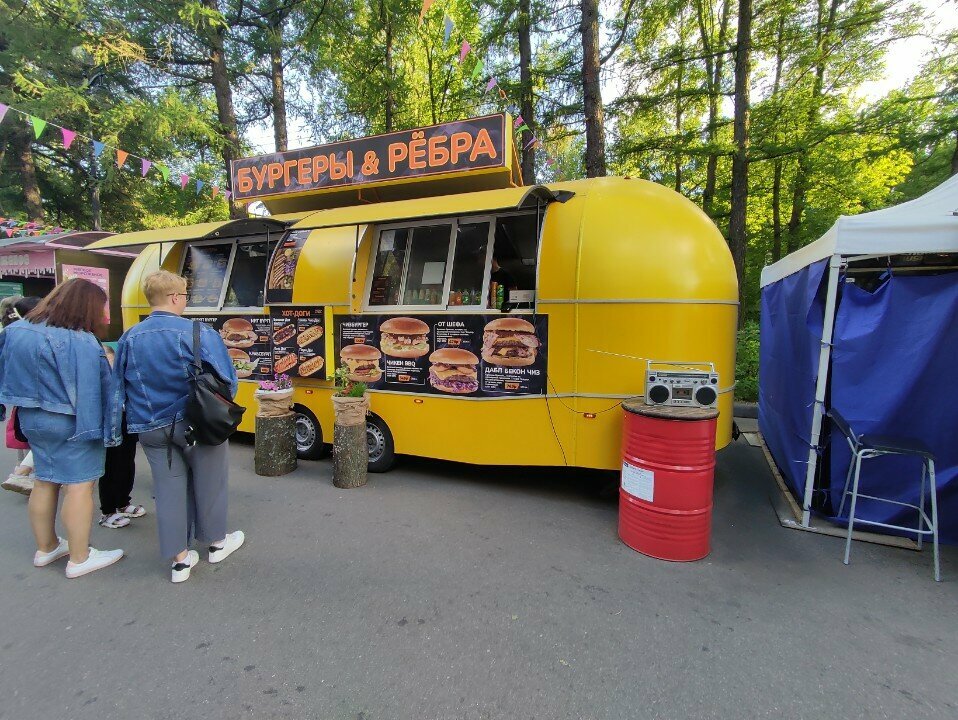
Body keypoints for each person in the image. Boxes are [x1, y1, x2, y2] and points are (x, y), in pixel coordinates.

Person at [108, 270, 244, 583]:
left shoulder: (129, 337)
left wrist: (116, 430)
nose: (185, 302)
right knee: (210, 481)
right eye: (184, 296)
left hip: (150, 427)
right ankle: (216, 543)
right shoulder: (197, 332)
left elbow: (117, 388)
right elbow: (228, 381)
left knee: (167, 489)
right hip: (195, 424)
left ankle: (180, 562)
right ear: (174, 297)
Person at [0, 279, 123, 578]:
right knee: (80, 486)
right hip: (73, 421)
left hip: (30, 418)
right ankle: (80, 558)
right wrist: (110, 431)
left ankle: (47, 548)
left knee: (44, 480)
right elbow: (97, 392)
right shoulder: (81, 341)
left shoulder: (16, 331)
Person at [97, 345, 145, 529]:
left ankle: (123, 502)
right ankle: (108, 511)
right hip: (109, 423)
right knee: (109, 467)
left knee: (127, 463)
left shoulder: (125, 378)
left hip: (126, 422)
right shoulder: (99, 385)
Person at [2, 297, 44, 496]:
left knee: (29, 437)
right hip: (41, 398)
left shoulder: (11, 333)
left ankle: (23, 472)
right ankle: (25, 473)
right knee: (41, 441)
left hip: (21, 399)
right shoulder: (37, 334)